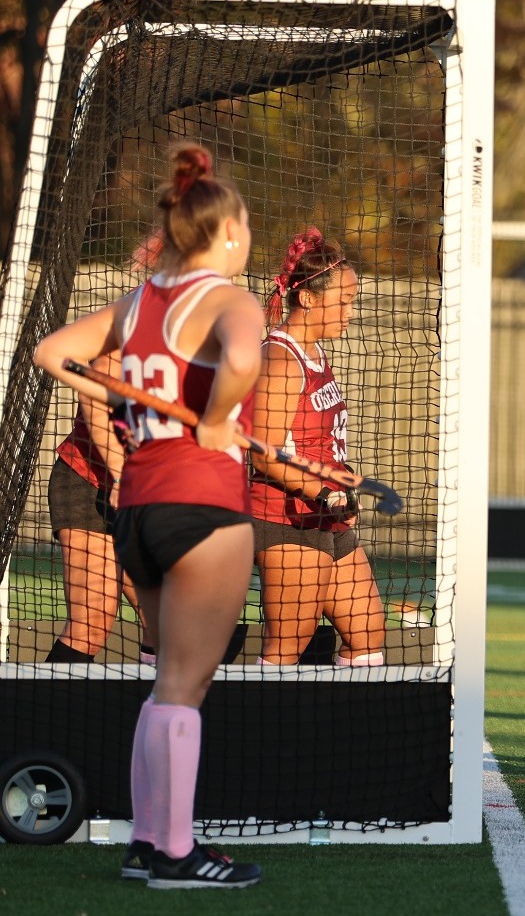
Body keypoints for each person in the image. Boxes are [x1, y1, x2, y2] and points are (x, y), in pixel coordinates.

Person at [34, 142, 265, 885]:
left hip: (137, 506)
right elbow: (240, 363)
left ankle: (145, 840)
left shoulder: (139, 301)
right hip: (203, 504)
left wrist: (130, 399)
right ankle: (174, 851)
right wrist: (216, 418)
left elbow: (52, 351)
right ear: (226, 230)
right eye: (246, 225)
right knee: (183, 684)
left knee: (167, 679)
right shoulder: (231, 299)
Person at [250, 228, 384, 667]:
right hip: (286, 517)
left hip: (327, 514)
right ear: (307, 299)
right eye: (343, 300)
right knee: (288, 646)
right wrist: (324, 493)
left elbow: (320, 443)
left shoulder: (317, 353)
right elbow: (263, 453)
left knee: (367, 631)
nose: (350, 310)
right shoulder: (280, 360)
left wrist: (342, 486)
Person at [42, 350, 147, 663]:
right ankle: (41, 711)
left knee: (168, 622)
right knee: (91, 624)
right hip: (89, 484)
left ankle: (155, 712)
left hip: (146, 497)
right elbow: (96, 396)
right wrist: (122, 471)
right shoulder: (128, 326)